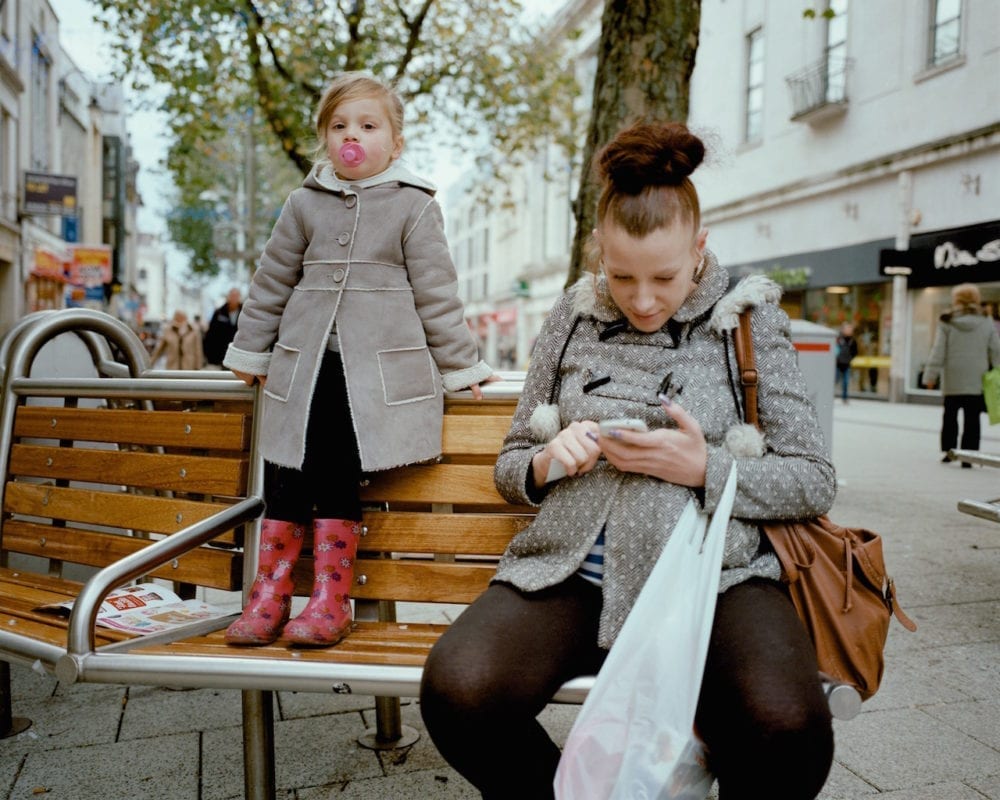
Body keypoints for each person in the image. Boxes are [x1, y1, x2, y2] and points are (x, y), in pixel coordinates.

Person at [420, 121, 837, 799]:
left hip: (717, 580)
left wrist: (701, 466)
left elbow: (815, 479)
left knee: (788, 728)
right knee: (458, 688)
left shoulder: (749, 321)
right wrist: (549, 460)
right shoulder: (571, 316)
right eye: (622, 277)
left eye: (665, 277)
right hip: (572, 574)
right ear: (598, 254)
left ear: (700, 249)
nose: (643, 300)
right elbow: (512, 464)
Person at [221, 72, 494, 647]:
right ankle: (269, 593)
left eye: (368, 126)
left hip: (367, 378)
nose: (353, 136)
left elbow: (437, 293)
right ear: (325, 138)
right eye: (340, 126)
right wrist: (251, 350)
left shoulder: (413, 207)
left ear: (395, 143)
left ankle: (330, 599)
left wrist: (460, 365)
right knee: (285, 474)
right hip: (302, 368)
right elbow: (271, 281)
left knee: (336, 475)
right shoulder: (303, 204)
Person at [922, 282, 1000, 466]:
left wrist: (930, 376)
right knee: (972, 418)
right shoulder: (986, 320)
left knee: (950, 415)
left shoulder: (947, 320)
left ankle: (950, 452)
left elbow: (938, 350)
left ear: (956, 299)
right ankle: (969, 457)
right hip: (976, 377)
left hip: (953, 377)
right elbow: (996, 350)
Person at [203, 288, 242, 367]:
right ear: (228, 297)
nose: (234, 298)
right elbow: (211, 334)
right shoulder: (219, 312)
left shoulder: (245, 312)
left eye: (236, 296)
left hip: (240, 353)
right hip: (222, 353)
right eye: (232, 296)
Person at [834, 321, 858, 403]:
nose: (849, 330)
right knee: (834, 381)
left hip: (846, 364)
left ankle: (845, 397)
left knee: (845, 382)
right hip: (838, 364)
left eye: (850, 329)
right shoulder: (839, 339)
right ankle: (830, 395)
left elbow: (855, 352)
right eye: (847, 328)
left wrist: (850, 358)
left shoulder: (853, 341)